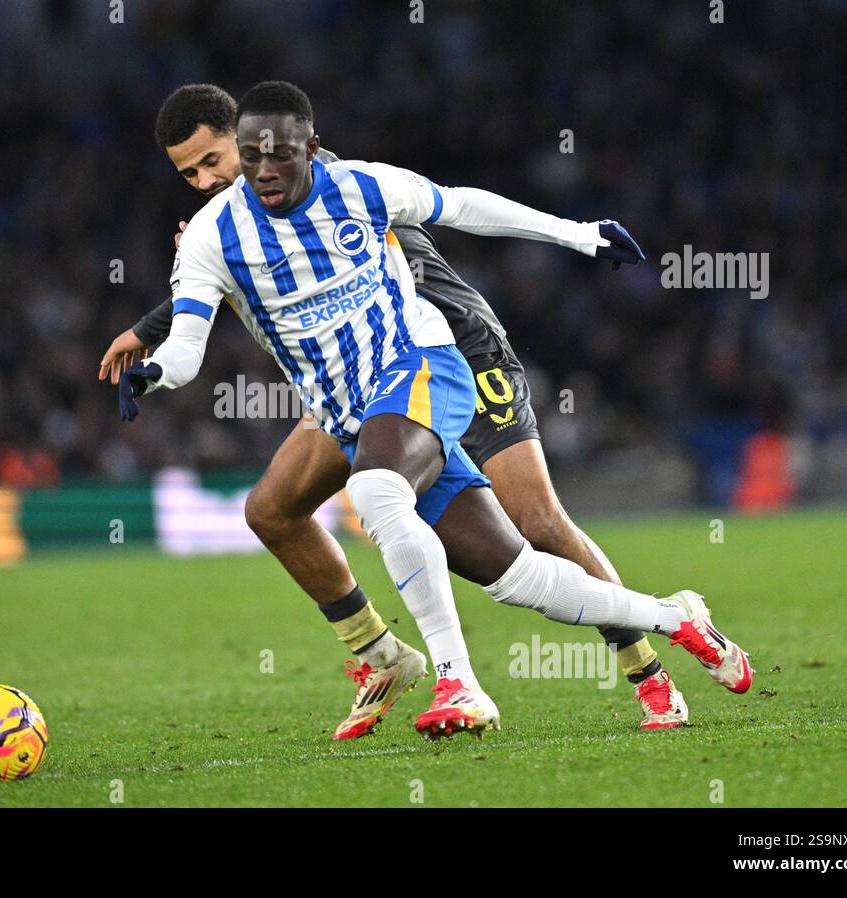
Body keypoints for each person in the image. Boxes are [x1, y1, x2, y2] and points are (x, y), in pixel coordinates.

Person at [120, 81, 752, 738]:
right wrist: (153, 350)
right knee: (493, 569)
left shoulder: (342, 186)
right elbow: (212, 286)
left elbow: (464, 206)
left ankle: (604, 676)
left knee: (512, 513)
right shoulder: (218, 229)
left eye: (213, 161)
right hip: (353, 395)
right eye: (189, 172)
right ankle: (670, 618)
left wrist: (578, 235)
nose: (207, 179)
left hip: (446, 351)